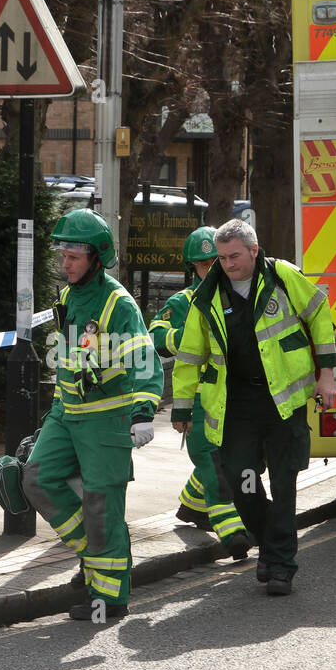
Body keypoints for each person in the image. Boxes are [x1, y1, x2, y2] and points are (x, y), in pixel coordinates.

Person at [171, 219, 336, 594]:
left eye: (234, 256)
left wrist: (327, 375)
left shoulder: (282, 276)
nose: (227, 264)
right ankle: (271, 546)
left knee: (284, 484)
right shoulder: (208, 295)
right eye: (222, 257)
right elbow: (190, 356)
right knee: (242, 484)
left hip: (284, 402)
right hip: (237, 406)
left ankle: (280, 565)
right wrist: (181, 409)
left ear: (254, 250)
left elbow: (319, 315)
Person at [23, 209, 163, 622]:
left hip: (107, 422)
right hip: (66, 415)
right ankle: (96, 556)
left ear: (97, 258)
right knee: (34, 478)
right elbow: (70, 361)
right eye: (62, 254)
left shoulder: (119, 304)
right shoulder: (67, 297)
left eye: (73, 256)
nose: (64, 262)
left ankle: (109, 596)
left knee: (101, 507)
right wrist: (53, 415)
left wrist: (143, 413)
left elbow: (143, 361)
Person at [149, 226, 250, 561]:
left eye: (215, 261)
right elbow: (155, 335)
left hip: (235, 396)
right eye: (203, 264)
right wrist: (186, 340)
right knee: (211, 463)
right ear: (192, 268)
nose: (210, 269)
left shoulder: (241, 295)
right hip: (197, 400)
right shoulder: (183, 301)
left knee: (236, 459)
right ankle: (232, 531)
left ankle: (192, 505)